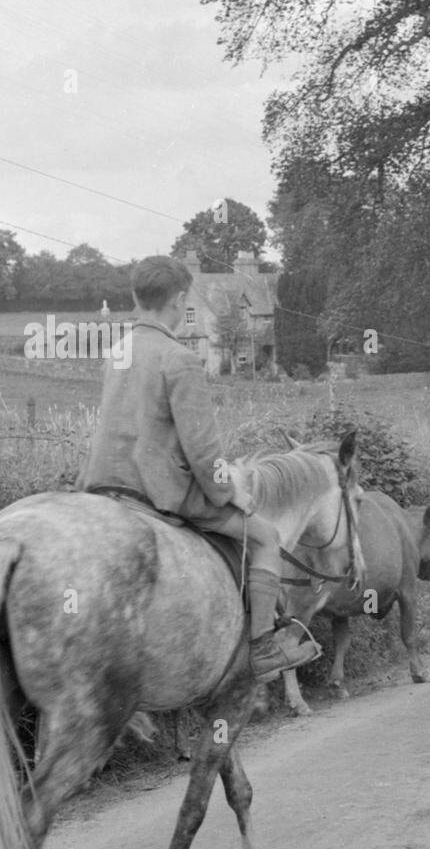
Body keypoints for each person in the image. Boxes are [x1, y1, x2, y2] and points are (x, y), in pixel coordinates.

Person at [80, 255, 318, 680]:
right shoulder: (179, 358)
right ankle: (262, 647)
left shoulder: (116, 352)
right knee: (265, 537)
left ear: (136, 298)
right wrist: (230, 493)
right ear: (177, 300)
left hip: (100, 485)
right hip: (156, 489)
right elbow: (204, 451)